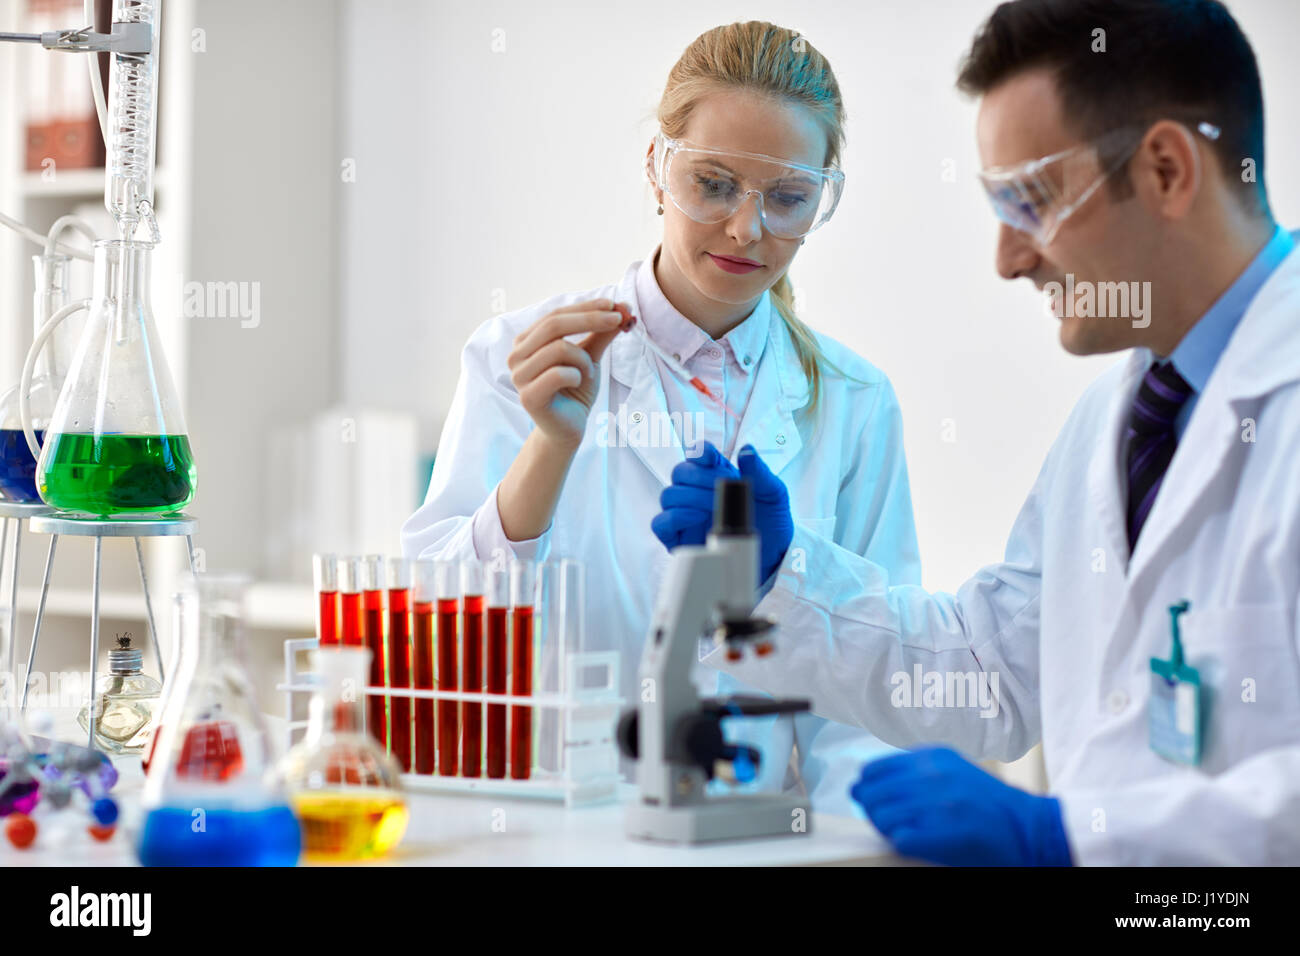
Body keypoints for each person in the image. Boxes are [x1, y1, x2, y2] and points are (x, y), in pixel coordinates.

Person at [672, 0, 1300, 864]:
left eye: (1032, 200)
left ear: (1165, 170)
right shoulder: (1115, 421)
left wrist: (1063, 838)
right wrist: (781, 578)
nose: (1009, 259)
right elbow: (991, 667)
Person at [402, 21, 921, 813]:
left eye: (787, 198)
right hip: (552, 828)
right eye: (714, 184)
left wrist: (848, 848)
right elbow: (437, 634)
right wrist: (551, 446)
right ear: (657, 168)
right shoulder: (520, 357)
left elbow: (867, 690)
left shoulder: (854, 400)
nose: (747, 229)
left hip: (750, 838)